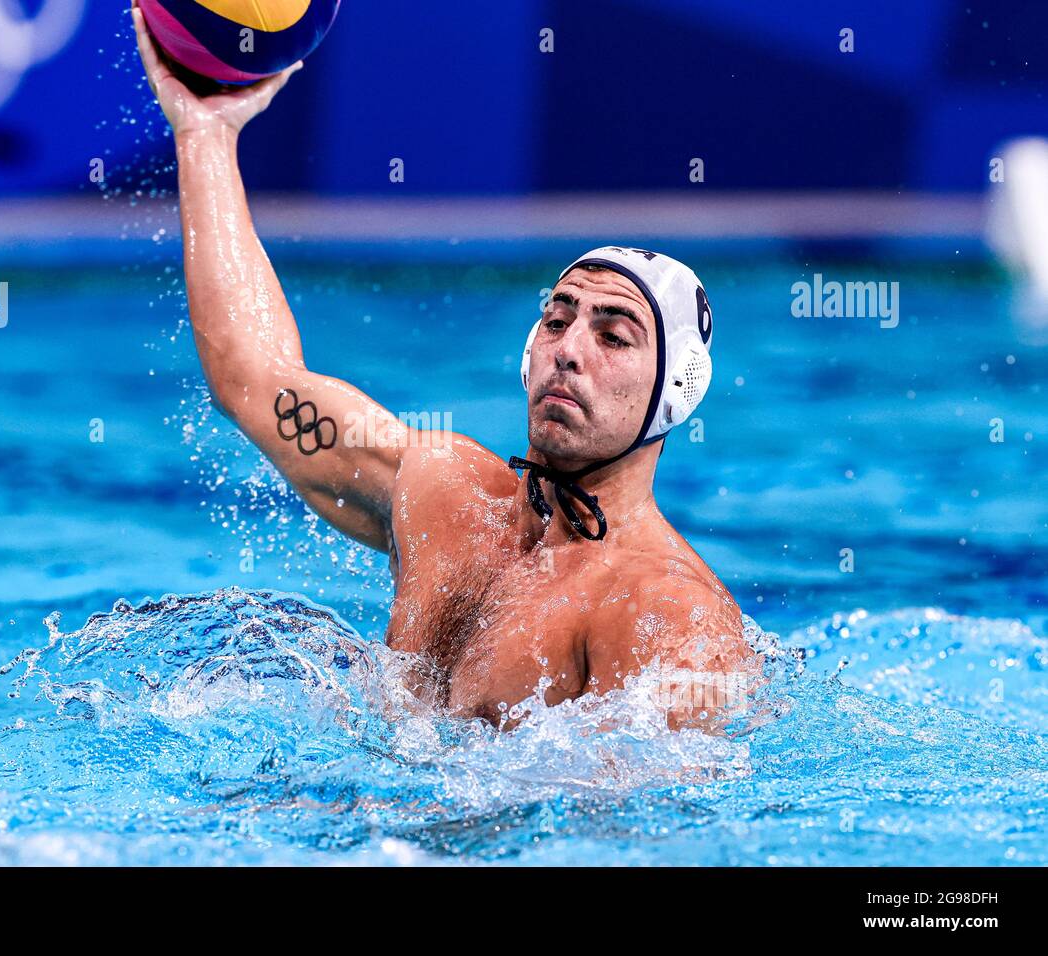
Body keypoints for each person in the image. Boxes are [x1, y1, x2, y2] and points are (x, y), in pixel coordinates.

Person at [132, 3, 758, 730]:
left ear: (676, 391)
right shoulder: (441, 492)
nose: (569, 348)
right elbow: (255, 382)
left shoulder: (673, 624)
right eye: (556, 319)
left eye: (614, 337)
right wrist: (205, 134)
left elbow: (633, 830)